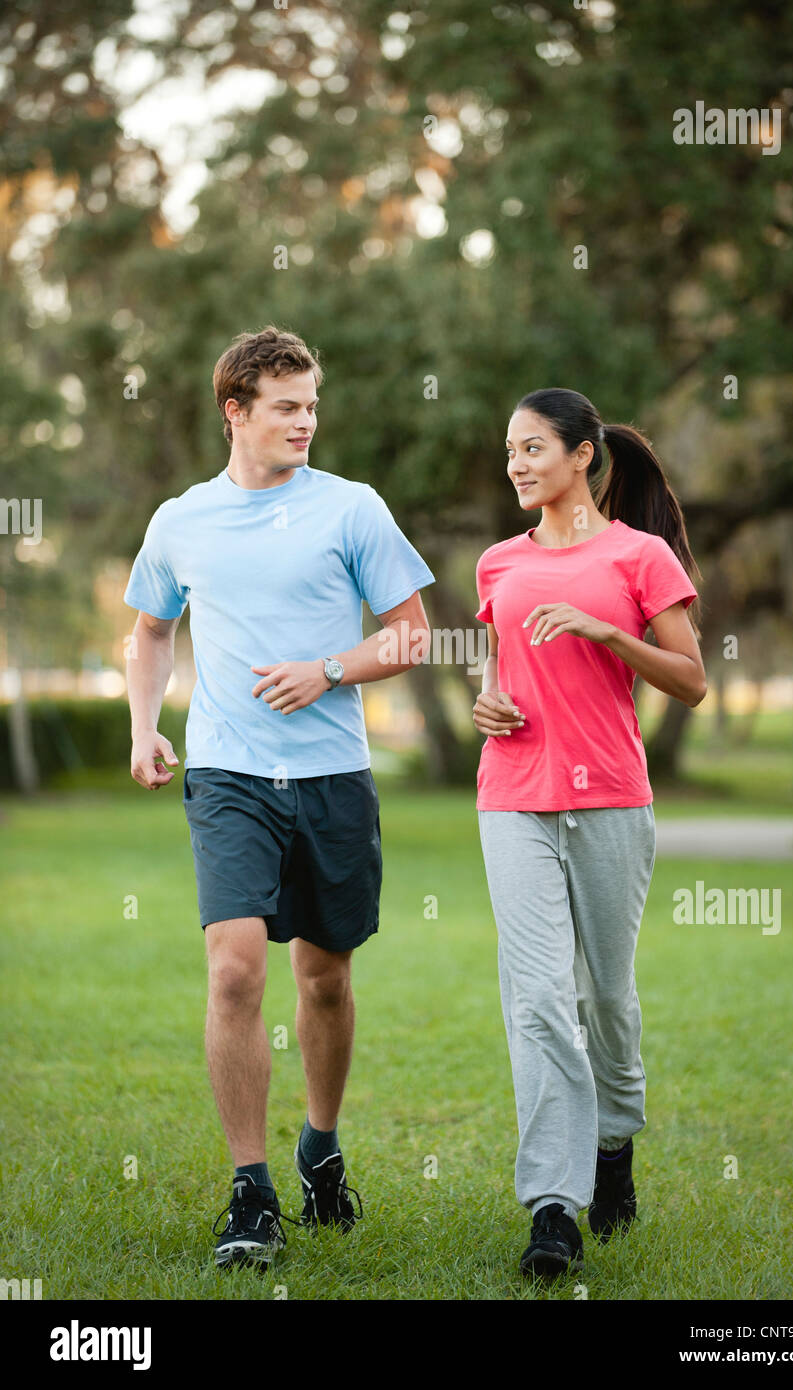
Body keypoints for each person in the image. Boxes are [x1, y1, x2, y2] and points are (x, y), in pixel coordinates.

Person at [123, 325, 435, 1268]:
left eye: (312, 406)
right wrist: (143, 725)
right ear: (236, 410)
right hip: (229, 774)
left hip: (335, 777)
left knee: (325, 980)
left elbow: (412, 634)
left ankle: (320, 1149)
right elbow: (148, 633)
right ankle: (250, 1191)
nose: (306, 422)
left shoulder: (353, 509)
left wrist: (328, 669)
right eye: (287, 407)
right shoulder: (181, 520)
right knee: (234, 971)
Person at [473, 388, 706, 1279]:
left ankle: (614, 1150)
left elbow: (689, 680)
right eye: (509, 451)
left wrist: (609, 632)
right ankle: (554, 1206)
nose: (517, 464)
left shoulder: (640, 556)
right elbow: (496, 671)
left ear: (583, 455)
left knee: (605, 996)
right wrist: (484, 701)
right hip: (513, 798)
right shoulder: (497, 563)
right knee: (537, 1002)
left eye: (533, 448)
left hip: (610, 798)